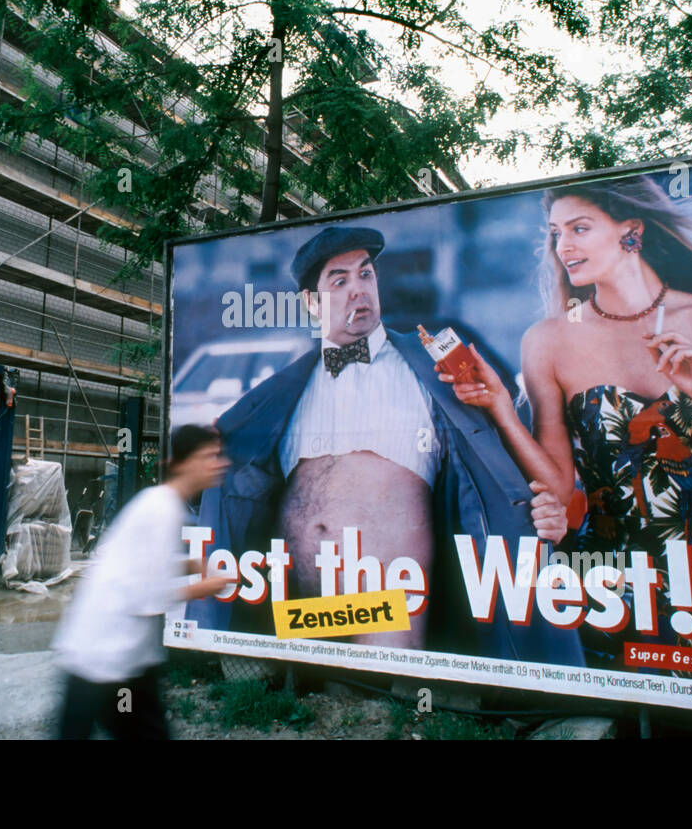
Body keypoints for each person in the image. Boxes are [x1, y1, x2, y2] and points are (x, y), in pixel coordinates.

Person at [437, 176, 692, 669]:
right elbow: (555, 486)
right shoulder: (548, 340)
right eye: (555, 233)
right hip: (618, 587)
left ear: (632, 233)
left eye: (579, 228)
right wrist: (501, 409)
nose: (563, 246)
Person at [185, 225, 583, 663]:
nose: (358, 290)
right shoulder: (280, 391)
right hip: (298, 609)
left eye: (366, 274)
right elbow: (221, 490)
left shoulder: (439, 367)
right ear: (312, 304)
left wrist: (542, 511)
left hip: (389, 609)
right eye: (339, 281)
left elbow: (507, 468)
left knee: (382, 714)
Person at [52, 424, 232, 739]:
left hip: (105, 656)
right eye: (210, 456)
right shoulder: (163, 510)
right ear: (184, 463)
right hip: (108, 660)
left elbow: (146, 570)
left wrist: (190, 564)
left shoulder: (159, 503)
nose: (219, 464)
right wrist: (210, 586)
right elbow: (151, 596)